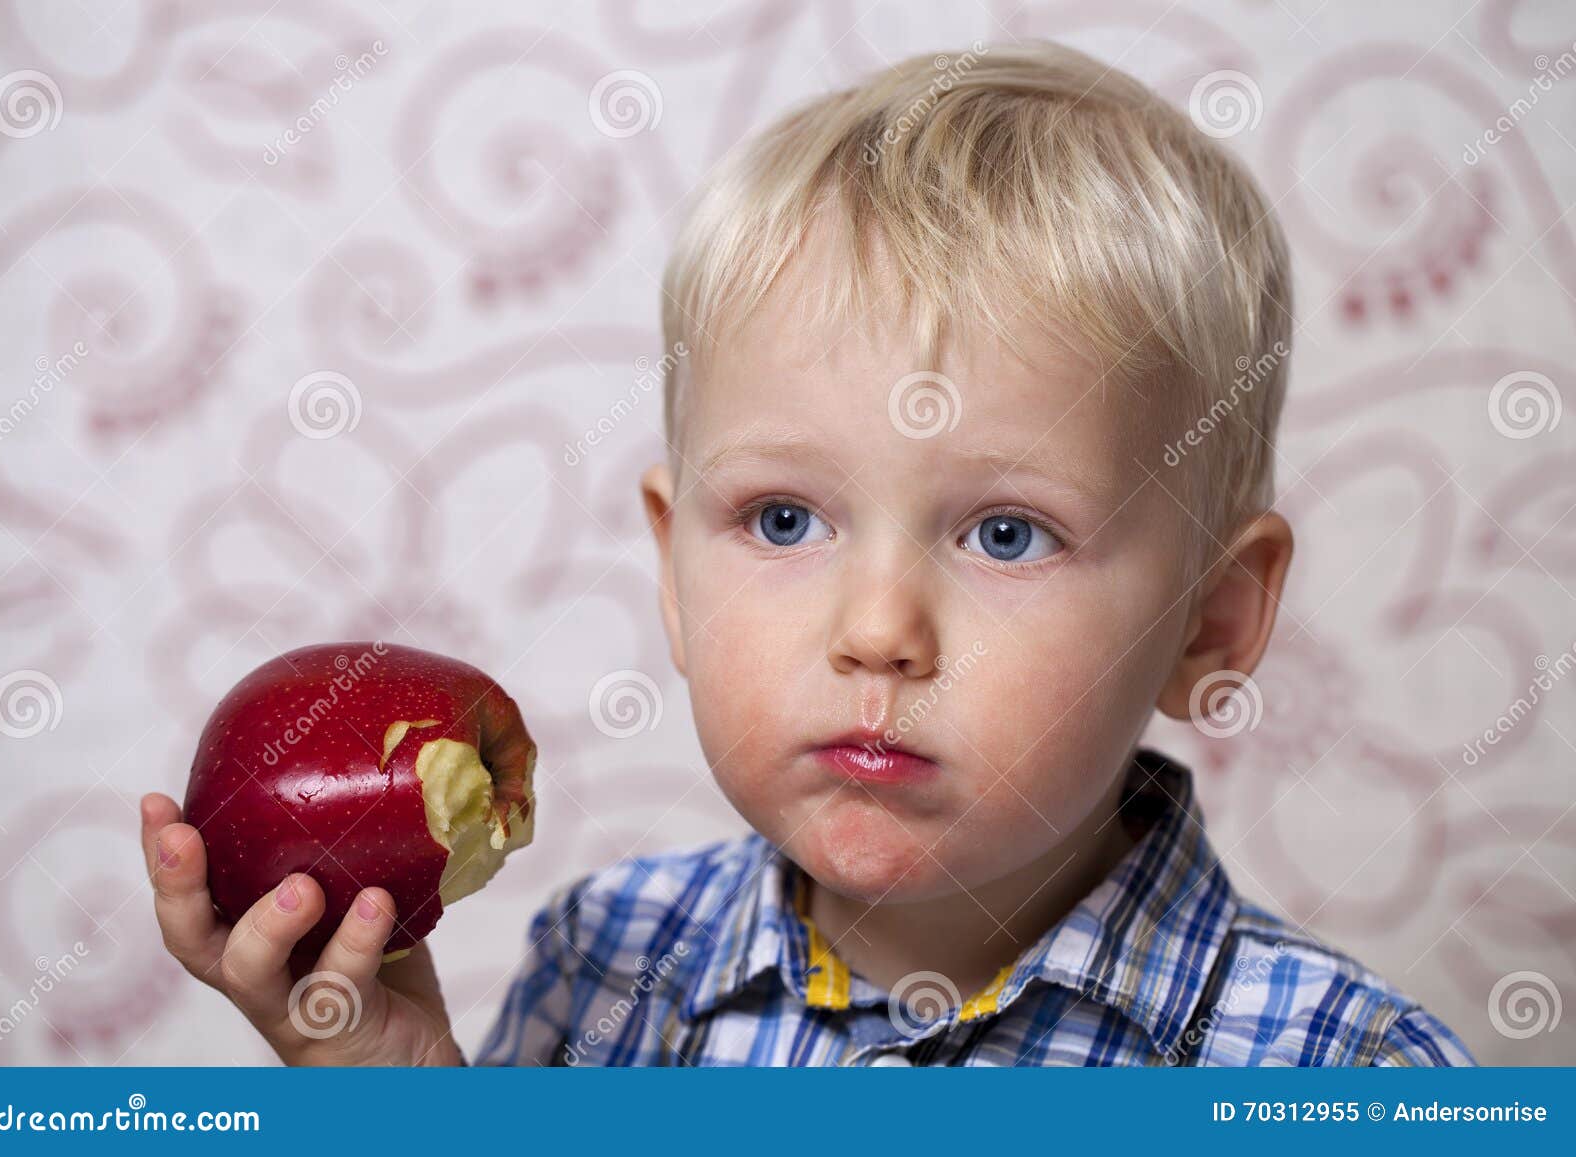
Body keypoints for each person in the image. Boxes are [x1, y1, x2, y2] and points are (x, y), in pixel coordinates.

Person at [140, 39, 1472, 1067]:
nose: (875, 628)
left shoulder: (1342, 1068)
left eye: (1006, 533)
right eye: (783, 520)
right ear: (673, 568)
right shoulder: (605, 975)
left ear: (1211, 623)